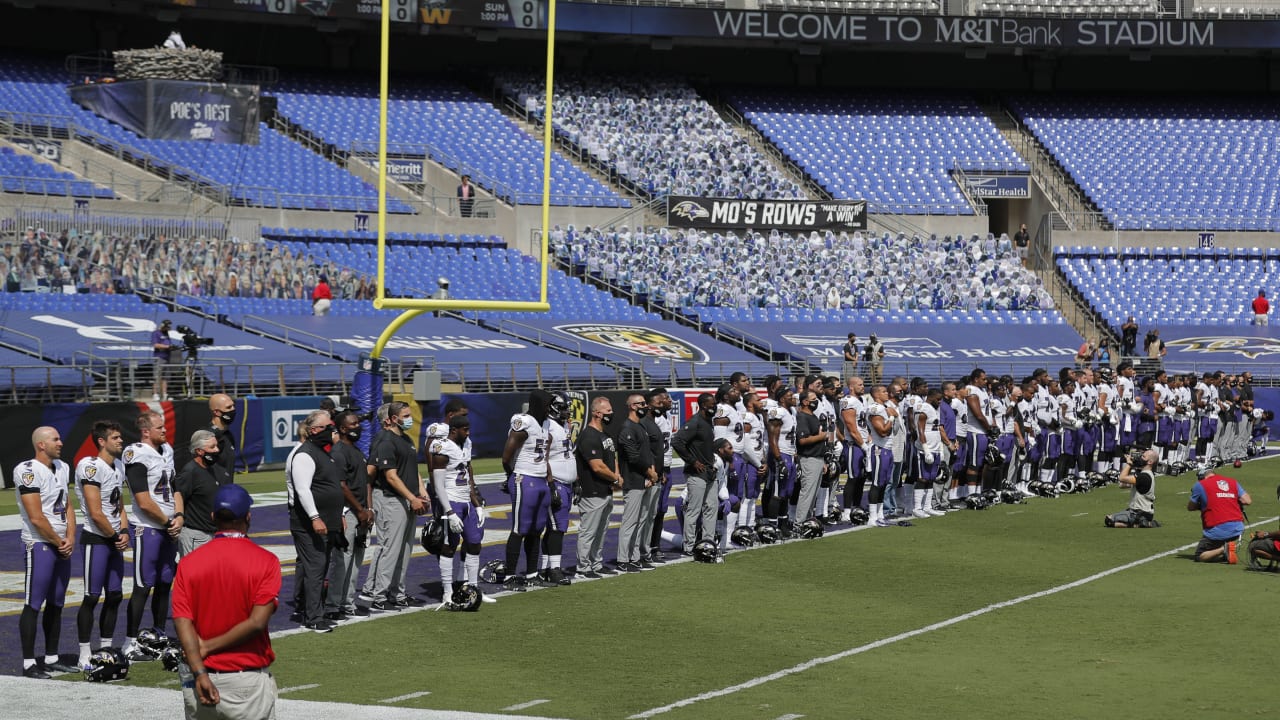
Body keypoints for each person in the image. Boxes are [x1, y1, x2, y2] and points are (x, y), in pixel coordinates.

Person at [172, 483, 281, 720]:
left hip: (199, 679)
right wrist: (208, 647)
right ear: (248, 517)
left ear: (212, 517)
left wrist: (200, 671)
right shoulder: (266, 561)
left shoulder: (189, 563)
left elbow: (182, 621)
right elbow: (257, 622)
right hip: (246, 681)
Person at [16, 426, 78, 678]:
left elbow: (68, 505)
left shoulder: (62, 467)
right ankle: (29, 663)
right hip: (40, 544)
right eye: (55, 439)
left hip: (60, 543)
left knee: (57, 603)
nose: (60, 442)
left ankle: (51, 657)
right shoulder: (27, 470)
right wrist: (58, 541)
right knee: (34, 603)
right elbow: (36, 517)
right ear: (41, 444)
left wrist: (71, 536)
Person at [357, 402, 427, 613]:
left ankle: (397, 592)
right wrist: (411, 498)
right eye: (405, 415)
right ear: (393, 418)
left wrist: (421, 491)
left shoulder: (405, 439)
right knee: (390, 548)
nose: (409, 419)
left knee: (404, 549)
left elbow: (411, 469)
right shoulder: (386, 441)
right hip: (390, 498)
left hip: (406, 498)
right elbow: (390, 476)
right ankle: (379, 595)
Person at [74, 421, 130, 671]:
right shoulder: (90, 466)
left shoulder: (118, 465)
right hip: (97, 539)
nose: (120, 440)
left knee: (116, 595)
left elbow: (119, 506)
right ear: (102, 441)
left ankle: (106, 646)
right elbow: (96, 513)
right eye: (115, 437)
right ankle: (84, 652)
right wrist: (115, 536)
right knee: (91, 596)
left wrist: (125, 530)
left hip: (114, 539)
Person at [124, 411, 179, 662]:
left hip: (167, 526)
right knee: (143, 584)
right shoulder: (136, 453)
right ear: (146, 431)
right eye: (159, 427)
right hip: (147, 527)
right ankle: (130, 642)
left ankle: (158, 634)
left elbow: (174, 488)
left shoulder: (166, 450)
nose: (164, 430)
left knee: (165, 582)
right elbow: (143, 501)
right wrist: (168, 522)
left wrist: (179, 515)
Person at [285, 411, 344, 632]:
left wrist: (338, 515)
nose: (332, 430)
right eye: (328, 426)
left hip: (327, 521)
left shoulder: (321, 453)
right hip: (308, 524)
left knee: (320, 567)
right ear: (313, 431)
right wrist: (315, 517)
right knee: (315, 568)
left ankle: (316, 611)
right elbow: (302, 489)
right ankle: (313, 617)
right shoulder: (304, 455)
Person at [430, 415, 489, 605]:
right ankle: (447, 592)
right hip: (452, 501)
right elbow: (438, 485)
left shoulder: (464, 445)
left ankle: (473, 589)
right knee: (449, 546)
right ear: (454, 430)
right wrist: (449, 512)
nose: (468, 432)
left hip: (466, 502)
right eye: (465, 429)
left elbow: (467, 477)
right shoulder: (442, 448)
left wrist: (477, 504)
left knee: (474, 543)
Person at [500, 389, 554, 590]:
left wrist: (550, 482)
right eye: (547, 404)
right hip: (525, 477)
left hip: (540, 479)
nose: (550, 408)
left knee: (536, 529)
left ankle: (532, 573)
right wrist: (512, 476)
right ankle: (509, 576)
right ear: (539, 404)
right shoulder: (524, 422)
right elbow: (506, 457)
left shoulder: (545, 424)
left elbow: (545, 455)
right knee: (519, 529)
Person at [324, 409, 374, 622]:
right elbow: (341, 486)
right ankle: (333, 605)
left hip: (362, 513)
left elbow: (366, 483)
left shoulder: (357, 451)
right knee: (342, 561)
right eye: (353, 424)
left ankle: (348, 602)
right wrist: (360, 510)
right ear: (342, 428)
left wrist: (369, 509)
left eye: (357, 423)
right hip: (348, 513)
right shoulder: (339, 452)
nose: (357, 427)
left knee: (355, 561)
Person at [575, 398, 620, 579]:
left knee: (601, 531)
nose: (611, 414)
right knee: (589, 531)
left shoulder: (605, 435)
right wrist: (616, 477)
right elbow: (597, 466)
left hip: (605, 490)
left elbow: (612, 458)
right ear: (597, 413)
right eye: (607, 410)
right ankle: (583, 567)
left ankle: (596, 563)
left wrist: (616, 476)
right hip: (591, 490)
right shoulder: (589, 436)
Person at [174, 430, 232, 558]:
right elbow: (178, 498)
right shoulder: (190, 472)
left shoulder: (218, 470)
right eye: (212, 447)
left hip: (216, 533)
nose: (217, 450)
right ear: (199, 451)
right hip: (196, 535)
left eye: (216, 445)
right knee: (195, 575)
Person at [617, 394, 658, 573]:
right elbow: (634, 457)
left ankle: (634, 557)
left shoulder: (640, 425)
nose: (645, 406)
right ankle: (622, 559)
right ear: (632, 406)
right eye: (641, 404)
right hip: (634, 480)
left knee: (641, 521)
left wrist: (651, 474)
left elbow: (647, 453)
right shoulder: (627, 428)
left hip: (644, 479)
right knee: (630, 522)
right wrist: (649, 473)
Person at [673, 393, 718, 553]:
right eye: (712, 404)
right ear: (703, 405)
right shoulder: (695, 422)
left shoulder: (707, 421)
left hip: (709, 471)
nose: (715, 406)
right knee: (694, 510)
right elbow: (677, 441)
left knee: (712, 507)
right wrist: (693, 461)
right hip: (696, 472)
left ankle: (708, 543)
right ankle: (689, 546)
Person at [539, 393, 576, 584]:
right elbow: (543, 457)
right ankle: (553, 569)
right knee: (557, 527)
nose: (567, 411)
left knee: (555, 527)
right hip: (556, 482)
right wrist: (551, 484)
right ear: (553, 407)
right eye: (563, 408)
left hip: (566, 482)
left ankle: (546, 568)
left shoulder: (563, 425)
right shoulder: (548, 426)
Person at [1187, 468, 1251, 563]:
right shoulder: (1232, 482)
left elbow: (1190, 507)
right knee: (1216, 547)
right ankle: (1226, 549)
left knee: (1200, 555)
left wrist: (1203, 505)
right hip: (1238, 529)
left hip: (1217, 529)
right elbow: (1247, 501)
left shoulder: (1200, 485)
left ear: (1202, 477)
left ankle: (1224, 549)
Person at [794, 390, 827, 524]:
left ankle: (807, 520)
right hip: (809, 458)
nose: (816, 401)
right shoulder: (802, 417)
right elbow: (802, 440)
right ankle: (799, 522)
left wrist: (822, 460)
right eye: (813, 399)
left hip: (817, 458)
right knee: (807, 492)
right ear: (805, 402)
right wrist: (821, 436)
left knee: (813, 494)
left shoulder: (812, 415)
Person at [1105, 449, 1159, 528]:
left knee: (1109, 520)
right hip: (1145, 512)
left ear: (1150, 462)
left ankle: (1139, 522)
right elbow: (1122, 485)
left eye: (1143, 456)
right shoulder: (1145, 474)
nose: (1140, 457)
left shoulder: (1144, 476)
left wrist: (1129, 464)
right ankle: (1139, 523)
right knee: (1113, 519)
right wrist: (1134, 467)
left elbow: (1122, 478)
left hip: (1138, 512)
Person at [206, 394, 238, 478]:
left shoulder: (228, 434)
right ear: (216, 412)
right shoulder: (208, 436)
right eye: (228, 407)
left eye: (233, 406)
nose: (233, 409)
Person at [152, 318, 175, 401]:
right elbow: (155, 345)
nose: (167, 329)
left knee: (166, 377)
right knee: (157, 376)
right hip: (159, 357)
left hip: (167, 357)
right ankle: (155, 394)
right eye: (166, 327)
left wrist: (171, 347)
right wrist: (167, 347)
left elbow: (168, 343)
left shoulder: (166, 333)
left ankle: (165, 394)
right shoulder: (156, 333)